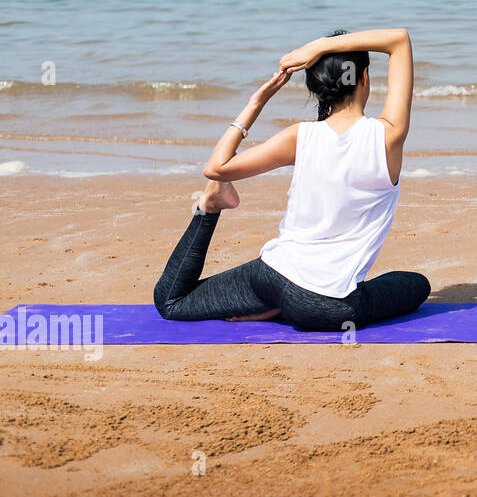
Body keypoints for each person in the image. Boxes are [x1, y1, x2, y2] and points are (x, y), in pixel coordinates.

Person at [152, 29, 430, 331]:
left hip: (272, 277)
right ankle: (281, 307)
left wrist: (257, 101)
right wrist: (321, 46)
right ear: (364, 78)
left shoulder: (300, 137)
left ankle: (211, 206)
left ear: (316, 88)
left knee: (171, 302)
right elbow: (399, 39)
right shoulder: (386, 137)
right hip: (329, 307)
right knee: (416, 284)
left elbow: (216, 168)